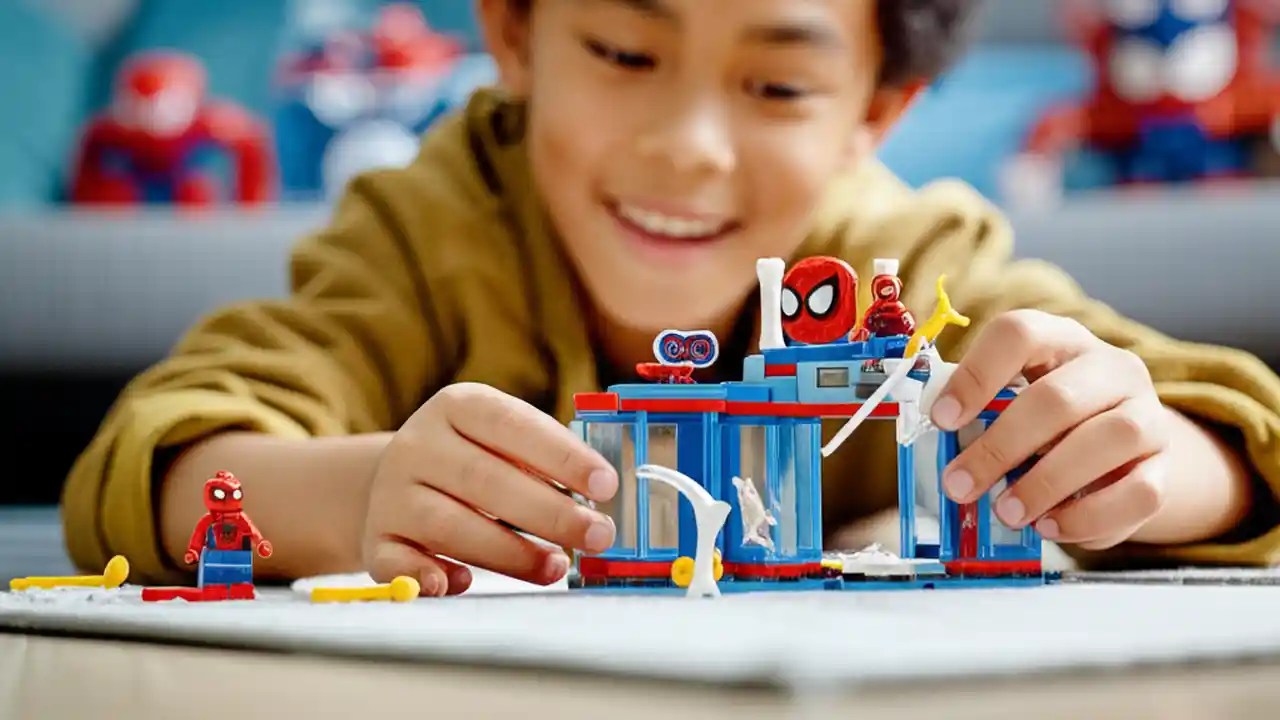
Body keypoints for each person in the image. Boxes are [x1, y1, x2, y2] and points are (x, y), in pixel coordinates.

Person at [63, 0, 1280, 595]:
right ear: (515, 34)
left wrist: (1147, 460)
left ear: (875, 110)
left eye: (778, 87)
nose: (687, 147)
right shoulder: (427, 231)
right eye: (623, 53)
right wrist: (356, 493)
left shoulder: (906, 265)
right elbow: (160, 450)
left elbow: (1224, 427)